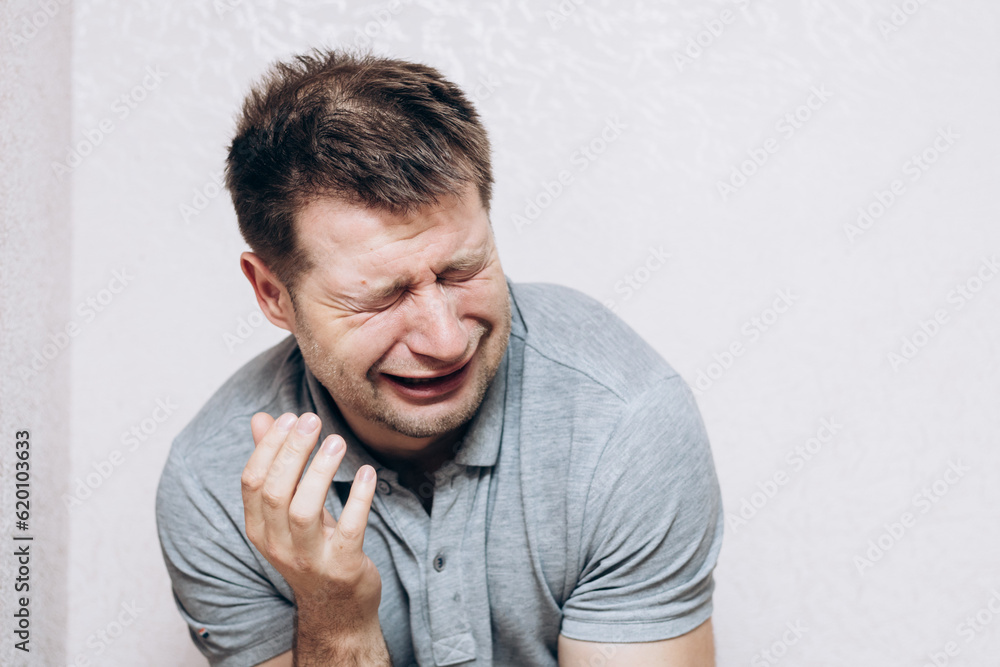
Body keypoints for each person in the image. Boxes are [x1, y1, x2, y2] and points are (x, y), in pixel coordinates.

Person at [155, 48, 724, 667]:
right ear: (273, 294)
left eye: (462, 270)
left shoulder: (624, 421)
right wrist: (335, 615)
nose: (447, 341)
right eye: (381, 297)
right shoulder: (212, 488)